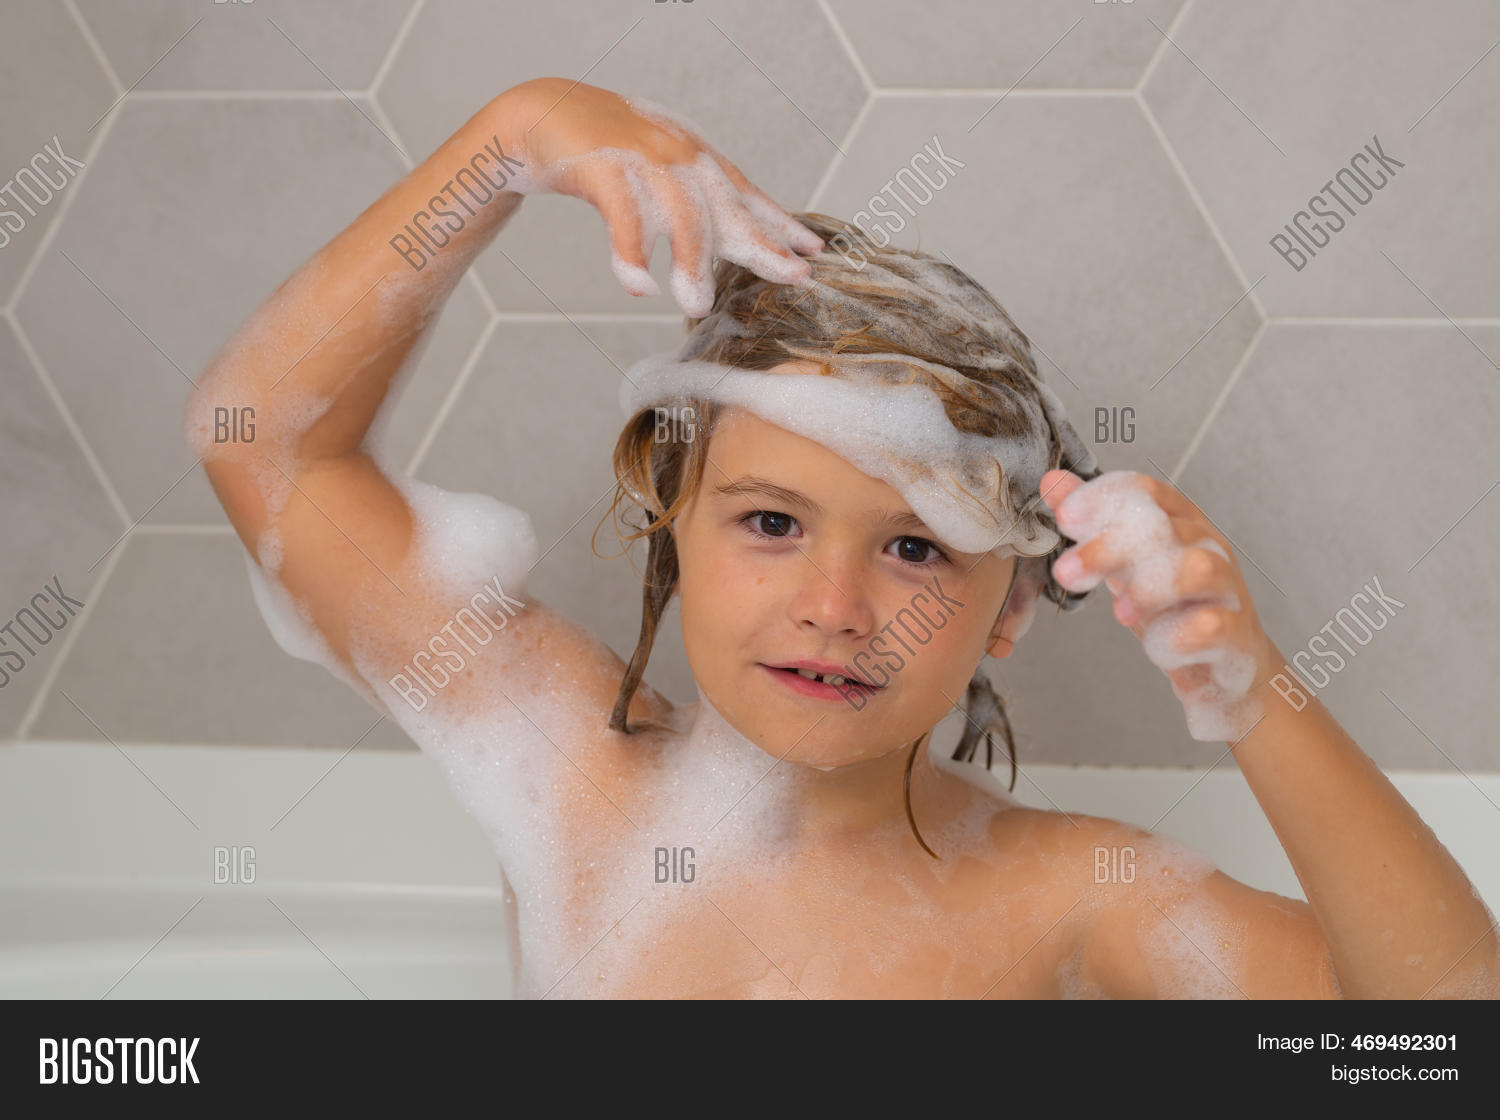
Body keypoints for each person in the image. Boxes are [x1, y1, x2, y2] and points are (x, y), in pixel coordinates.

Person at [188, 77, 1497, 998]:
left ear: (1012, 604)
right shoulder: (564, 768)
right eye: (769, 521)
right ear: (673, 524)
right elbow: (261, 437)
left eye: (918, 546)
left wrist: (1251, 689)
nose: (837, 603)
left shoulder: (1064, 898)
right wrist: (512, 136)